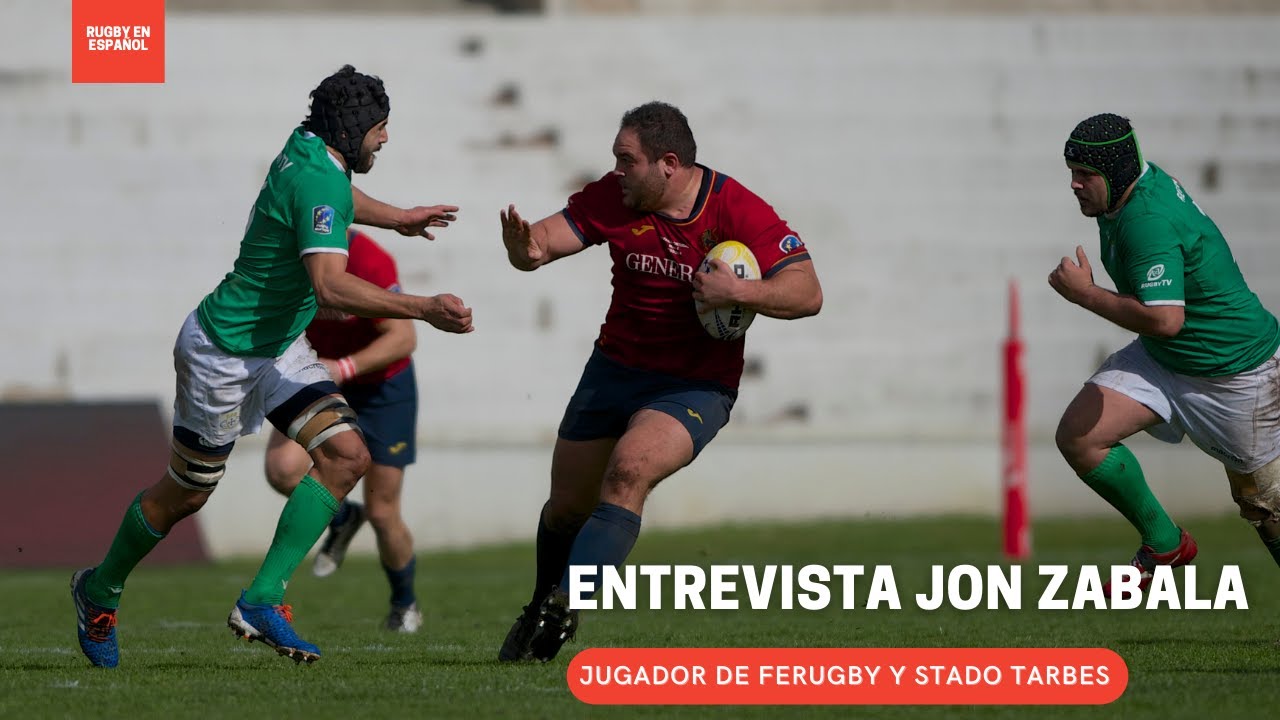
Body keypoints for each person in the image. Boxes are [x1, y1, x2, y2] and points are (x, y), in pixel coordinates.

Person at [70, 65, 474, 668]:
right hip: (222, 353)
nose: (386, 140)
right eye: (382, 129)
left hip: (278, 347)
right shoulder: (318, 178)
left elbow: (337, 193)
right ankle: (98, 591)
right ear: (358, 126)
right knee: (186, 494)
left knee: (346, 456)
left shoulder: (310, 148)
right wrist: (424, 307)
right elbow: (331, 289)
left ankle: (262, 598)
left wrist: (399, 217)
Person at [496, 101, 823, 662]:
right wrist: (522, 249)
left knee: (629, 471)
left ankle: (564, 609)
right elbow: (543, 242)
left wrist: (744, 293)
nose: (617, 171)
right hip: (614, 368)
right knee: (565, 509)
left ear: (668, 164)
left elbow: (808, 292)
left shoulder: (734, 207)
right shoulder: (617, 195)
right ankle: (539, 604)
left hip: (694, 384)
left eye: (628, 160)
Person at [1051, 113, 1280, 595]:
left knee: (1265, 508)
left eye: (1084, 174)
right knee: (1079, 436)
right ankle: (1164, 542)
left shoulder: (1147, 220)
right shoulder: (1128, 195)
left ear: (1113, 173)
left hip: (1235, 372)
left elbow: (1165, 318)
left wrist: (1085, 294)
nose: (1074, 184)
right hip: (1168, 358)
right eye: (1071, 172)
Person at [263, 228, 423, 634]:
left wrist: (345, 368)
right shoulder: (286, 254)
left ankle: (405, 602)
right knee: (282, 468)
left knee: (383, 511)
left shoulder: (370, 260)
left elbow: (404, 336)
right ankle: (341, 518)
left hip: (383, 385)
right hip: (322, 376)